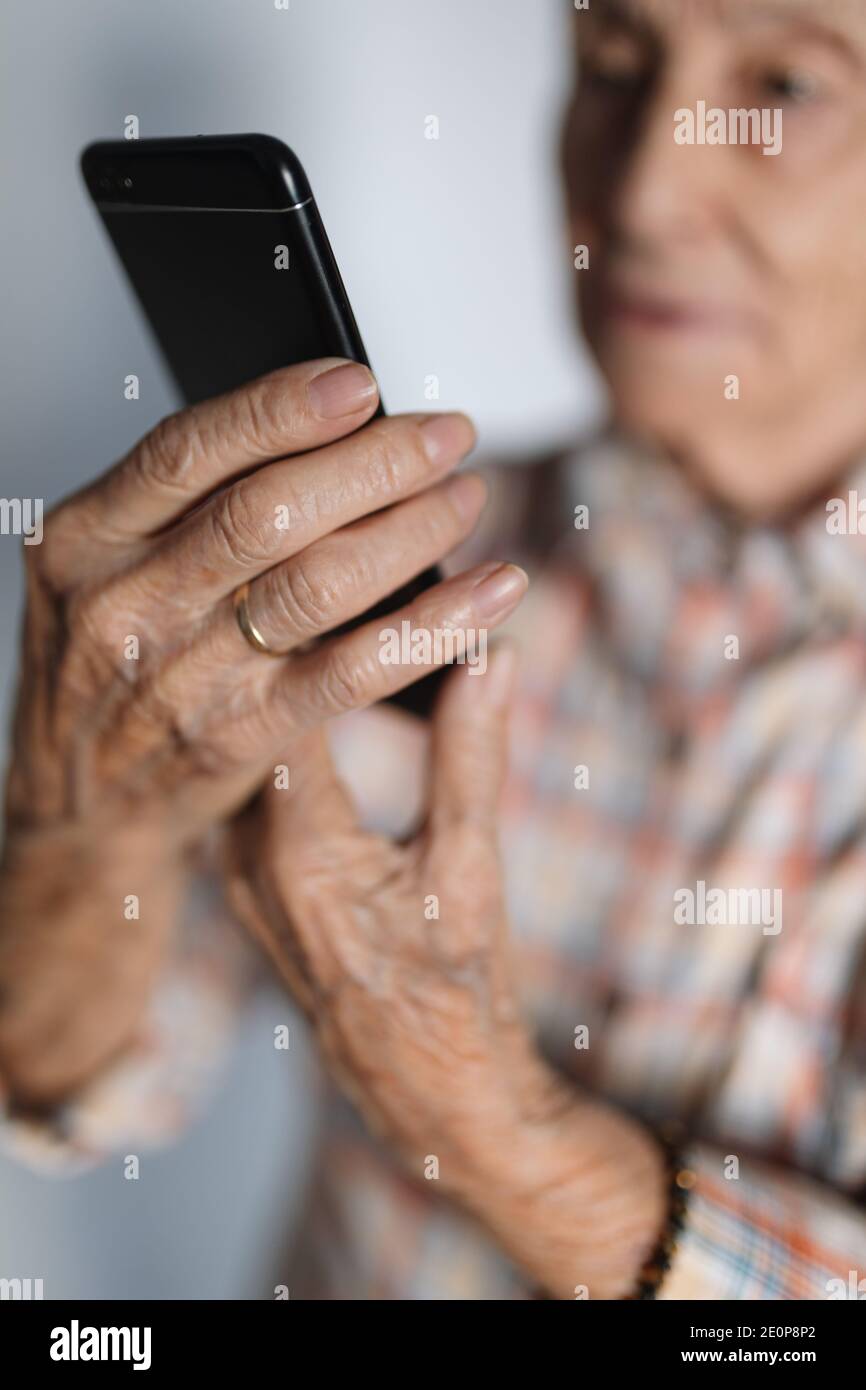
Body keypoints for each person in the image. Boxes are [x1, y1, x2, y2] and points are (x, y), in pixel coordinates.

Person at [2, 0, 866, 1299]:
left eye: (784, 90)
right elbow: (79, 1071)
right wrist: (80, 825)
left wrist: (493, 1131)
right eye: (613, 66)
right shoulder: (396, 573)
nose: (642, 190)